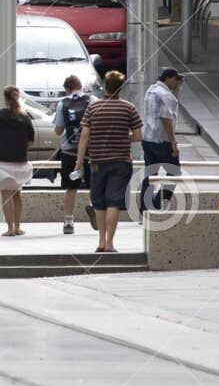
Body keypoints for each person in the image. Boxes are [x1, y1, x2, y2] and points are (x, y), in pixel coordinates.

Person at [75, 69, 142, 253]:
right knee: (114, 201)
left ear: (105, 86)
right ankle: (111, 243)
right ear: (121, 87)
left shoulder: (93, 108)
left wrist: (79, 161)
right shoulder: (129, 108)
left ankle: (101, 242)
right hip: (121, 161)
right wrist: (122, 137)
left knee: (99, 202)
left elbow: (85, 135)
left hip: (97, 161)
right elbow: (137, 136)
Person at [0, 86, 36, 237]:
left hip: (1, 161)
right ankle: (18, 227)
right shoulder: (24, 117)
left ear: (5, 98)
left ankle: (10, 229)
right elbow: (31, 139)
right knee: (17, 194)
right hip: (20, 161)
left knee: (6, 195)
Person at [52, 75, 93, 235]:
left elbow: (58, 130)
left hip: (69, 151)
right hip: (91, 150)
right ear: (80, 86)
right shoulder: (92, 100)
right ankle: (94, 208)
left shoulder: (62, 103)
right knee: (93, 185)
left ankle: (68, 221)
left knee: (70, 188)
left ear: (67, 89)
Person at [140, 67, 183, 214]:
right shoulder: (166, 95)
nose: (178, 82)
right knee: (175, 172)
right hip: (162, 141)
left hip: (147, 138)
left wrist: (176, 89)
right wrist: (173, 142)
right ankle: (157, 203)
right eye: (176, 79)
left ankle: (144, 208)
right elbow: (166, 119)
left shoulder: (151, 90)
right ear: (168, 78)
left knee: (151, 174)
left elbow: (169, 107)